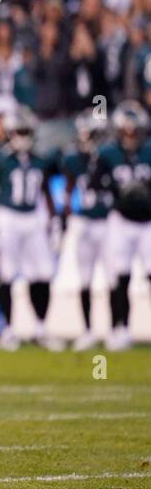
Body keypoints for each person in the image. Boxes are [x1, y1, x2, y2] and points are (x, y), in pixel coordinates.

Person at [0, 109, 57, 349]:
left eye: (27, 131)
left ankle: (41, 327)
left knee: (43, 273)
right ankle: (8, 329)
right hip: (8, 216)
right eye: (20, 131)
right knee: (7, 273)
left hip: (33, 216)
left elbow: (45, 191)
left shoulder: (40, 159)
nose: (23, 136)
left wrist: (53, 221)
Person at [93, 101, 151, 352]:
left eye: (134, 130)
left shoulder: (148, 151)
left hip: (148, 220)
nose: (130, 135)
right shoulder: (107, 153)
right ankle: (120, 327)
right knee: (120, 277)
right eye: (126, 131)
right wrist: (117, 191)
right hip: (121, 219)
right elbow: (95, 183)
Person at [61, 114, 110, 351]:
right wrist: (65, 218)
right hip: (84, 222)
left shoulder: (110, 156)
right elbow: (68, 190)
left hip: (109, 222)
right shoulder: (73, 160)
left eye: (89, 134)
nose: (85, 139)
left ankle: (117, 328)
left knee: (114, 278)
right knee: (85, 278)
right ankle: (89, 330)